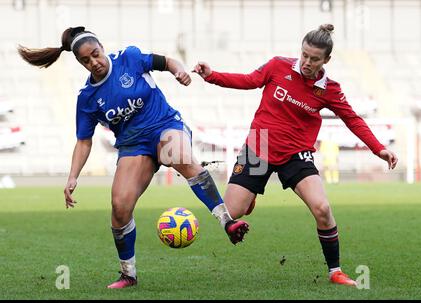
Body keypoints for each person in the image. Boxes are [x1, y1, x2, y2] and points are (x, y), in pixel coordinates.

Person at [18, 26, 249, 289]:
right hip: (133, 146)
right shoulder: (87, 98)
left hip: (165, 125)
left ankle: (227, 222)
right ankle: (128, 274)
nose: (94, 62)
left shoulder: (129, 57)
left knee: (179, 153)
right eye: (86, 60)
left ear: (102, 47)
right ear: (80, 63)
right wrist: (72, 176)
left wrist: (179, 71)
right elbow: (84, 141)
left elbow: (167, 62)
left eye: (95, 54)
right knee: (119, 207)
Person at [193, 24, 398, 287]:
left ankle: (334, 271)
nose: (307, 62)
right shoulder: (278, 66)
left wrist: (378, 148)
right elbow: (248, 81)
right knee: (232, 212)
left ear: (326, 60)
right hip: (260, 144)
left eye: (314, 58)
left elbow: (352, 119)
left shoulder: (330, 89)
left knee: (322, 209)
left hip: (296, 153)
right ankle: (249, 196)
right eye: (304, 55)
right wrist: (212, 75)